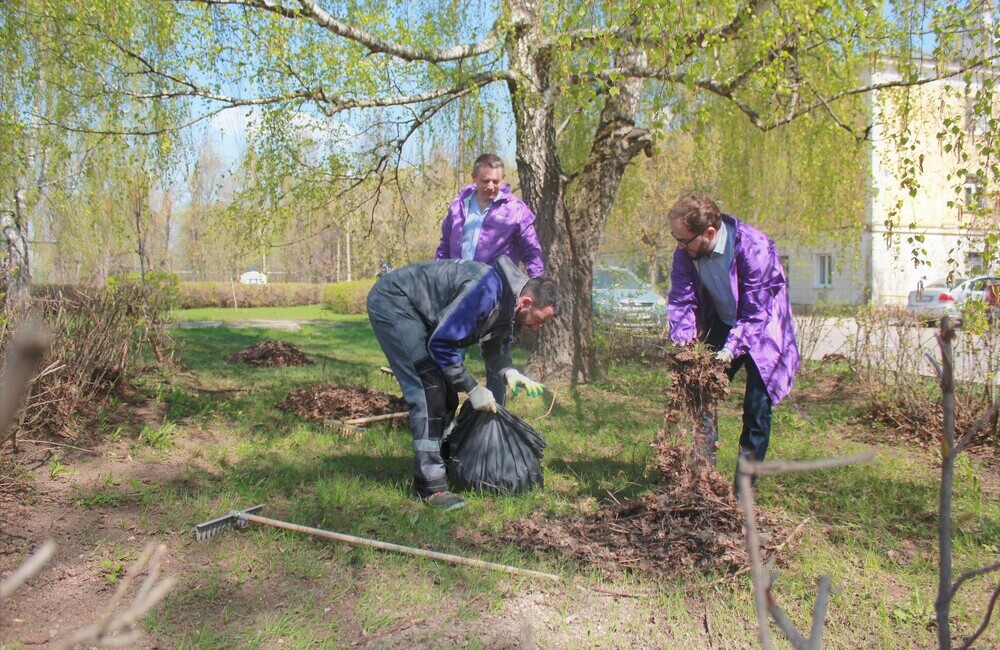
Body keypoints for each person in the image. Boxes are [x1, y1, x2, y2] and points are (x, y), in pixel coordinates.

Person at [367, 256, 560, 510]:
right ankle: (430, 489)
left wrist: (509, 372)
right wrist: (472, 388)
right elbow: (441, 344)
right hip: (394, 301)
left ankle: (445, 463)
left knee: (446, 394)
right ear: (526, 302)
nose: (536, 328)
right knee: (428, 389)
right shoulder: (485, 291)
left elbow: (493, 350)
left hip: (420, 314)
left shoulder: (508, 306)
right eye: (539, 320)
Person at [666, 193, 799, 489]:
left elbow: (756, 312)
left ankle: (742, 493)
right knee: (700, 391)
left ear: (710, 232)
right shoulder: (686, 252)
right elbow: (681, 300)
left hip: (764, 331)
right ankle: (702, 479)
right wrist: (684, 342)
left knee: (756, 409)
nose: (680, 246)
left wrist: (731, 349)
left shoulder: (755, 248)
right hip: (724, 323)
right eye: (676, 239)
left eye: (684, 240)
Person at [436, 153, 546, 404]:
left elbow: (532, 252)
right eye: (485, 181)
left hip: (496, 299)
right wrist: (439, 279)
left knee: (496, 360)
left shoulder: (515, 210)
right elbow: (444, 246)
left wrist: (538, 289)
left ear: (503, 179)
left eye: (496, 181)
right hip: (458, 294)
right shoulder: (459, 205)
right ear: (474, 178)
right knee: (450, 354)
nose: (491, 186)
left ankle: (496, 418)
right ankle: (444, 411)